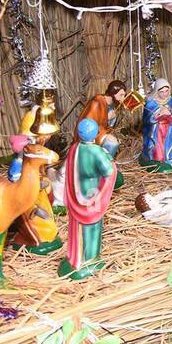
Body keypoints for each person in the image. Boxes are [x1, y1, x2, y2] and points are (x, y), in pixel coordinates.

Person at [59, 118, 117, 280]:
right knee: (92, 229)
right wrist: (109, 158)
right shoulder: (95, 152)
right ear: (96, 134)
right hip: (92, 197)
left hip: (76, 196)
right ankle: (89, 260)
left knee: (76, 227)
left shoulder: (74, 149)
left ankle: (75, 257)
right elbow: (108, 172)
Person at [139, 77, 172, 171]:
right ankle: (156, 160)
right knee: (158, 150)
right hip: (156, 131)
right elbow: (147, 120)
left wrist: (170, 112)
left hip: (169, 129)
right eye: (162, 92)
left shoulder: (170, 101)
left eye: (167, 91)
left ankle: (170, 157)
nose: (165, 94)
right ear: (157, 91)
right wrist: (157, 114)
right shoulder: (151, 103)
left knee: (168, 146)